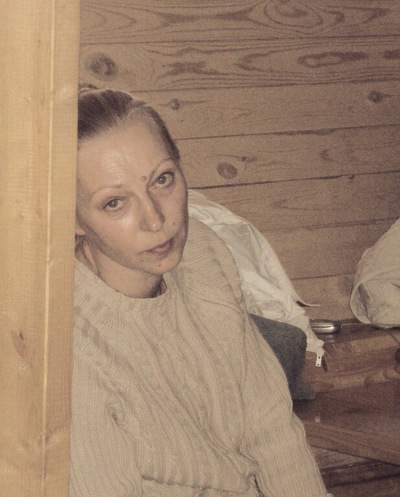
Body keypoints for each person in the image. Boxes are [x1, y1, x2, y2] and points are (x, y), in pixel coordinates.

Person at [70, 87, 330, 497]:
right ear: (72, 217)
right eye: (115, 203)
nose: (156, 219)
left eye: (163, 180)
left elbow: (271, 432)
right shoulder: (67, 341)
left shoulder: (202, 255)